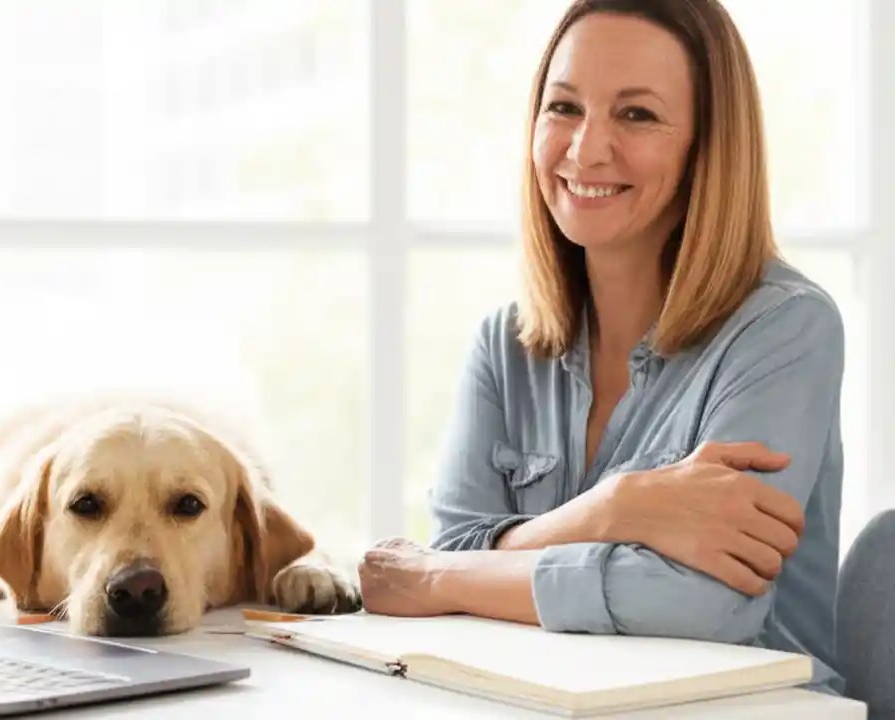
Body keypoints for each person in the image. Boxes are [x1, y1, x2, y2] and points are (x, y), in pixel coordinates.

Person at [358, 0, 846, 695]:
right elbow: (453, 556)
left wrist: (453, 577)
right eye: (563, 107)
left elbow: (704, 604)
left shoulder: (788, 329)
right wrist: (613, 511)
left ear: (707, 145)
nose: (586, 149)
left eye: (637, 114)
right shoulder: (505, 345)